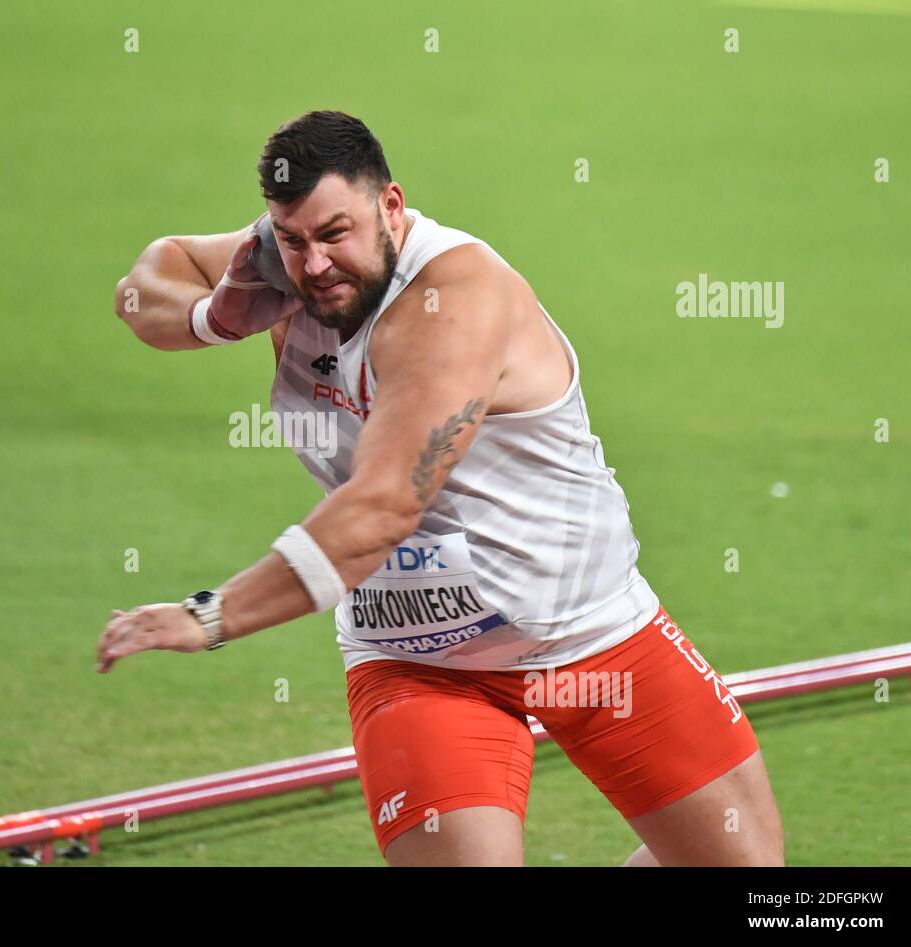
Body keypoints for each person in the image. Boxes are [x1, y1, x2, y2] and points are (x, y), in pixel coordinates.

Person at [101, 110, 784, 867]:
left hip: (590, 631)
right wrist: (211, 316)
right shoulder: (283, 260)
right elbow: (145, 283)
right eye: (292, 240)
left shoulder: (452, 297)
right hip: (416, 659)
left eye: (336, 235)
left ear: (391, 206)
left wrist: (212, 616)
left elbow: (384, 506)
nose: (316, 264)